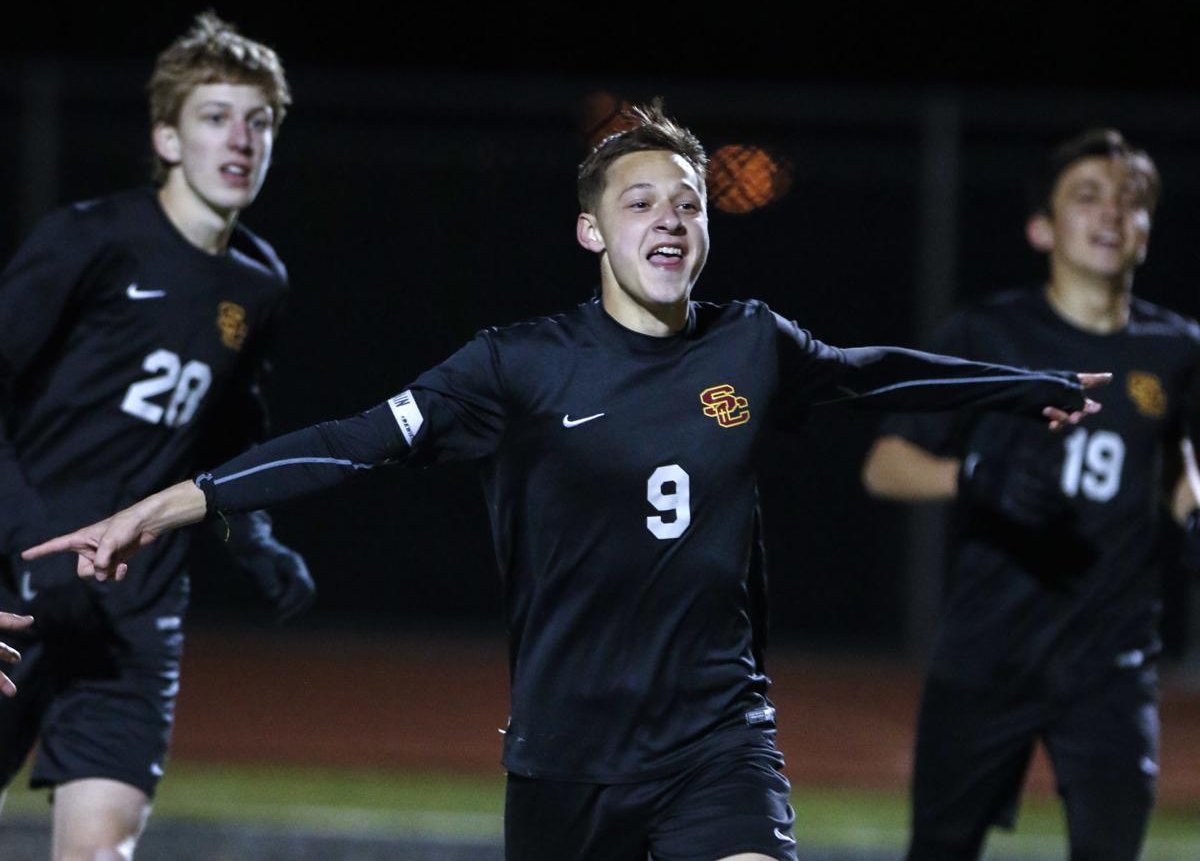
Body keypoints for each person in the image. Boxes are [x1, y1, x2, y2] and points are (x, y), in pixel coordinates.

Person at [26, 102, 1104, 861]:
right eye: (642, 204)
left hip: (717, 736)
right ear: (593, 231)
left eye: (688, 203)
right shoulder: (518, 363)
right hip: (566, 755)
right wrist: (178, 501)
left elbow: (878, 376)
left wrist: (1026, 385)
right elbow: (354, 440)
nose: (671, 220)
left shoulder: (753, 346)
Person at [0, 12, 314, 859]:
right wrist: (30, 543)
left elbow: (225, 433)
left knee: (98, 850)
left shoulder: (261, 283)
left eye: (259, 121)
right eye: (215, 117)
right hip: (15, 591)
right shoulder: (90, 241)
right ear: (167, 138)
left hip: (133, 610)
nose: (240, 139)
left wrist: (254, 538)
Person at [861, 129, 1197, 861]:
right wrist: (974, 476)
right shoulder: (987, 333)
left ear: (1148, 228)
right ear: (1042, 226)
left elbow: (1175, 458)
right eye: (1088, 195)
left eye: (1132, 199)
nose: (1112, 211)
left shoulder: (1178, 350)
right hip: (987, 651)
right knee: (941, 848)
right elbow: (885, 463)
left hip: (1112, 661)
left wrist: (1191, 506)